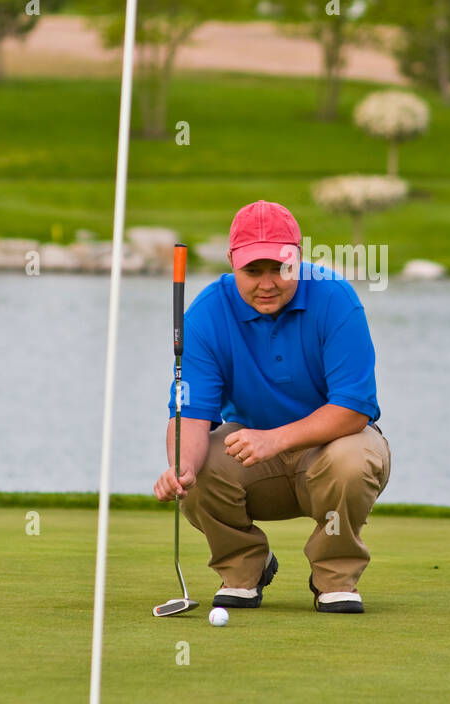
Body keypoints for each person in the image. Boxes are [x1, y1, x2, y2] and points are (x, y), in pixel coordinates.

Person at [153, 199, 391, 614]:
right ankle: (245, 566)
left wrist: (275, 439)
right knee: (197, 468)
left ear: (298, 259)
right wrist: (181, 467)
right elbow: (189, 416)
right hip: (252, 454)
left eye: (280, 268)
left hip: (330, 449)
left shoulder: (336, 299)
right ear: (231, 263)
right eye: (252, 271)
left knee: (353, 459)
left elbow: (353, 410)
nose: (268, 283)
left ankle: (334, 577)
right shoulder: (207, 314)